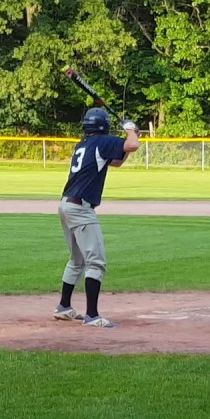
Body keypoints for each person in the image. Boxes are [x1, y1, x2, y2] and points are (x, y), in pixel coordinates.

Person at [52, 107, 141, 328]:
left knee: (77, 260)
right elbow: (132, 145)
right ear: (104, 126)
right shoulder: (102, 141)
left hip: (66, 204)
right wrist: (130, 130)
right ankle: (92, 315)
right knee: (96, 262)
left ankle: (64, 307)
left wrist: (131, 136)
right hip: (81, 208)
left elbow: (117, 161)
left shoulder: (85, 144)